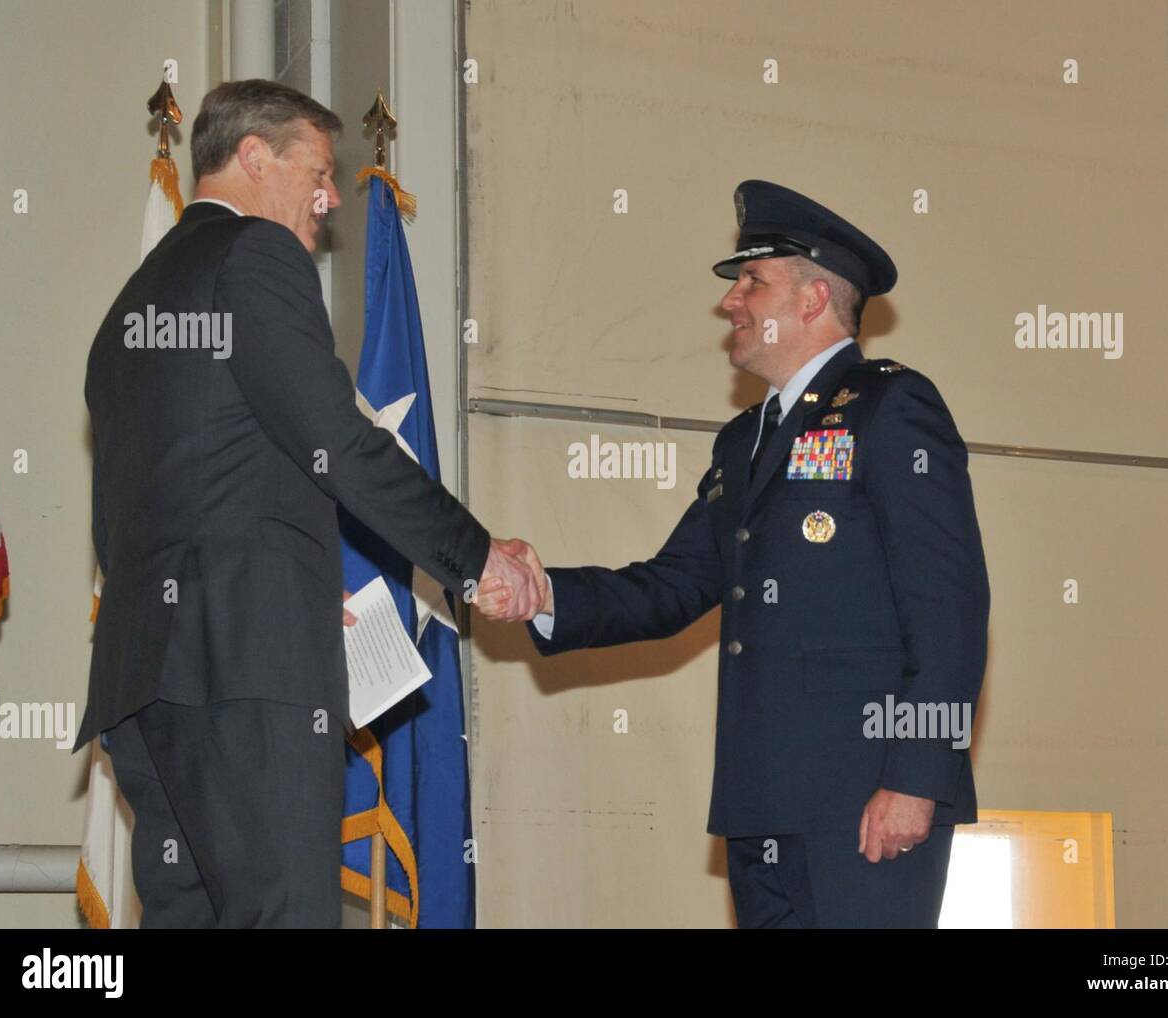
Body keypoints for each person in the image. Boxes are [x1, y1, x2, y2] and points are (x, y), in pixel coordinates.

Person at [76, 79, 543, 928]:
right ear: (254, 157)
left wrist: (285, 580)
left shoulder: (126, 314)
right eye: (318, 171)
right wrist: (477, 562)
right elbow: (342, 443)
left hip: (145, 687)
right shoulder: (255, 257)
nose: (331, 199)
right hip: (247, 676)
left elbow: (133, 520)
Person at [478, 180, 990, 928]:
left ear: (814, 300)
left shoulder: (891, 407)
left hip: (867, 800)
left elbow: (952, 608)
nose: (731, 302)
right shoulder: (744, 441)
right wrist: (544, 591)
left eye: (753, 280)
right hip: (761, 807)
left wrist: (915, 779)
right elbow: (675, 585)